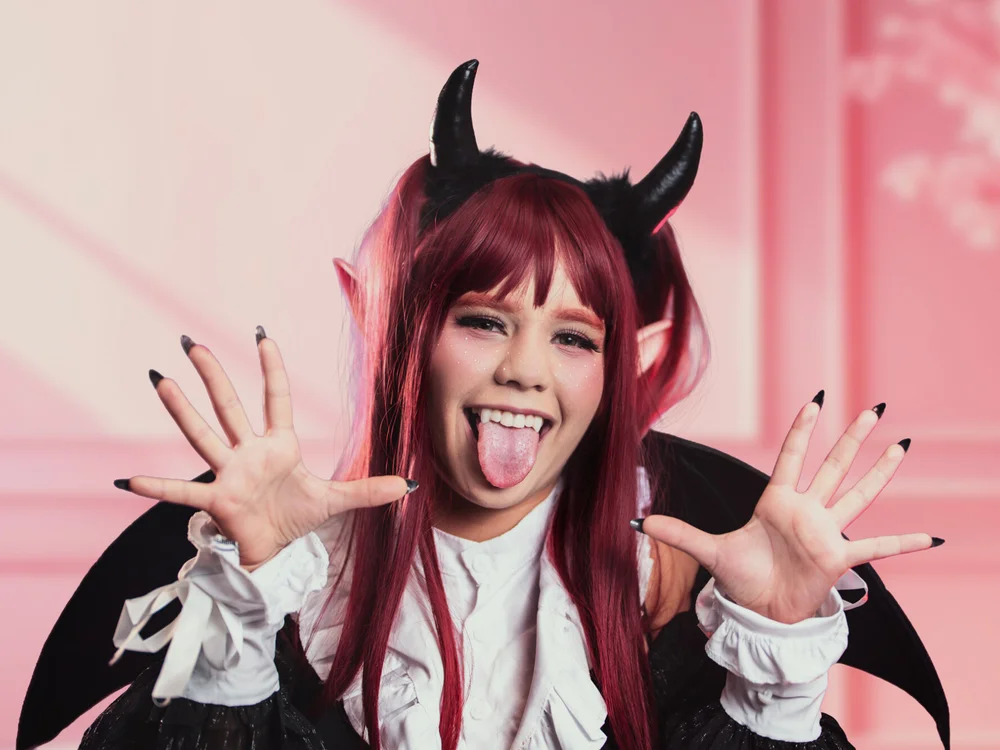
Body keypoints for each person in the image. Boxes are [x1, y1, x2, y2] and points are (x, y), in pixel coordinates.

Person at [17, 60, 950, 750]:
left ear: (623, 367)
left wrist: (777, 674)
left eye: (574, 338)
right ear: (393, 327)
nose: (525, 372)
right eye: (483, 321)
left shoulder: (681, 602)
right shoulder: (290, 585)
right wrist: (240, 615)